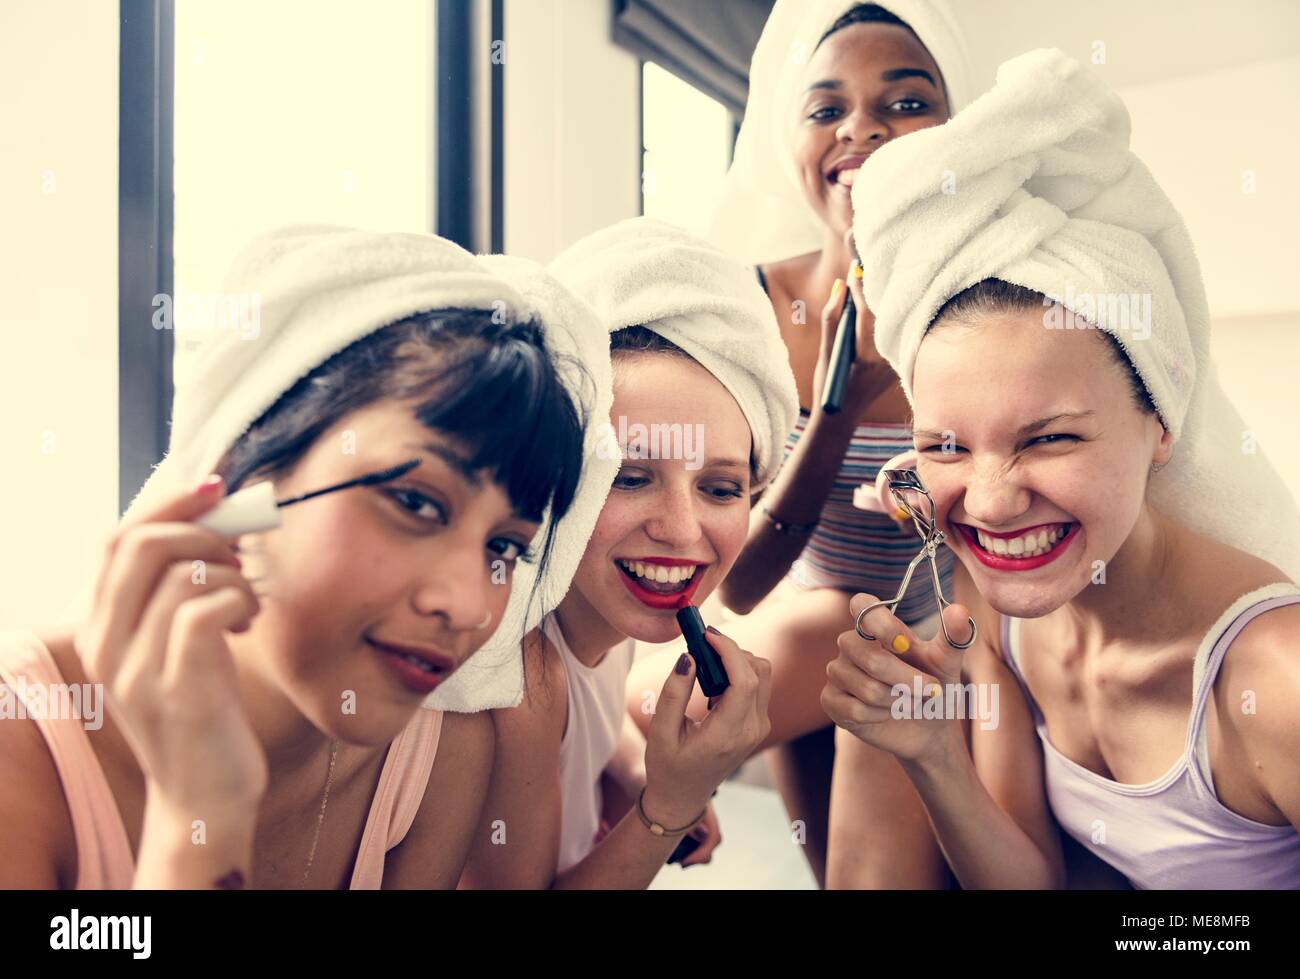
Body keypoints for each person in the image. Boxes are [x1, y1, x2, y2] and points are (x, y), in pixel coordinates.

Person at [0, 226, 608, 889]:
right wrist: (199, 815)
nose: (467, 604)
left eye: (505, 547)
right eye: (416, 501)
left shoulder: (442, 756)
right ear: (238, 484)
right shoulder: (23, 747)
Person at [823, 49, 1300, 888]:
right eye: (946, 446)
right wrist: (933, 756)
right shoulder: (998, 609)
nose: (995, 502)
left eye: (1049, 439)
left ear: (1159, 421)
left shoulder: (1276, 677)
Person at [460, 218, 797, 888]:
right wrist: (665, 810)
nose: (680, 528)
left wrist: (639, 766)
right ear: (559, 472)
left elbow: (590, 721)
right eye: (631, 476)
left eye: (720, 487)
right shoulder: (518, 672)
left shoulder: (601, 622)